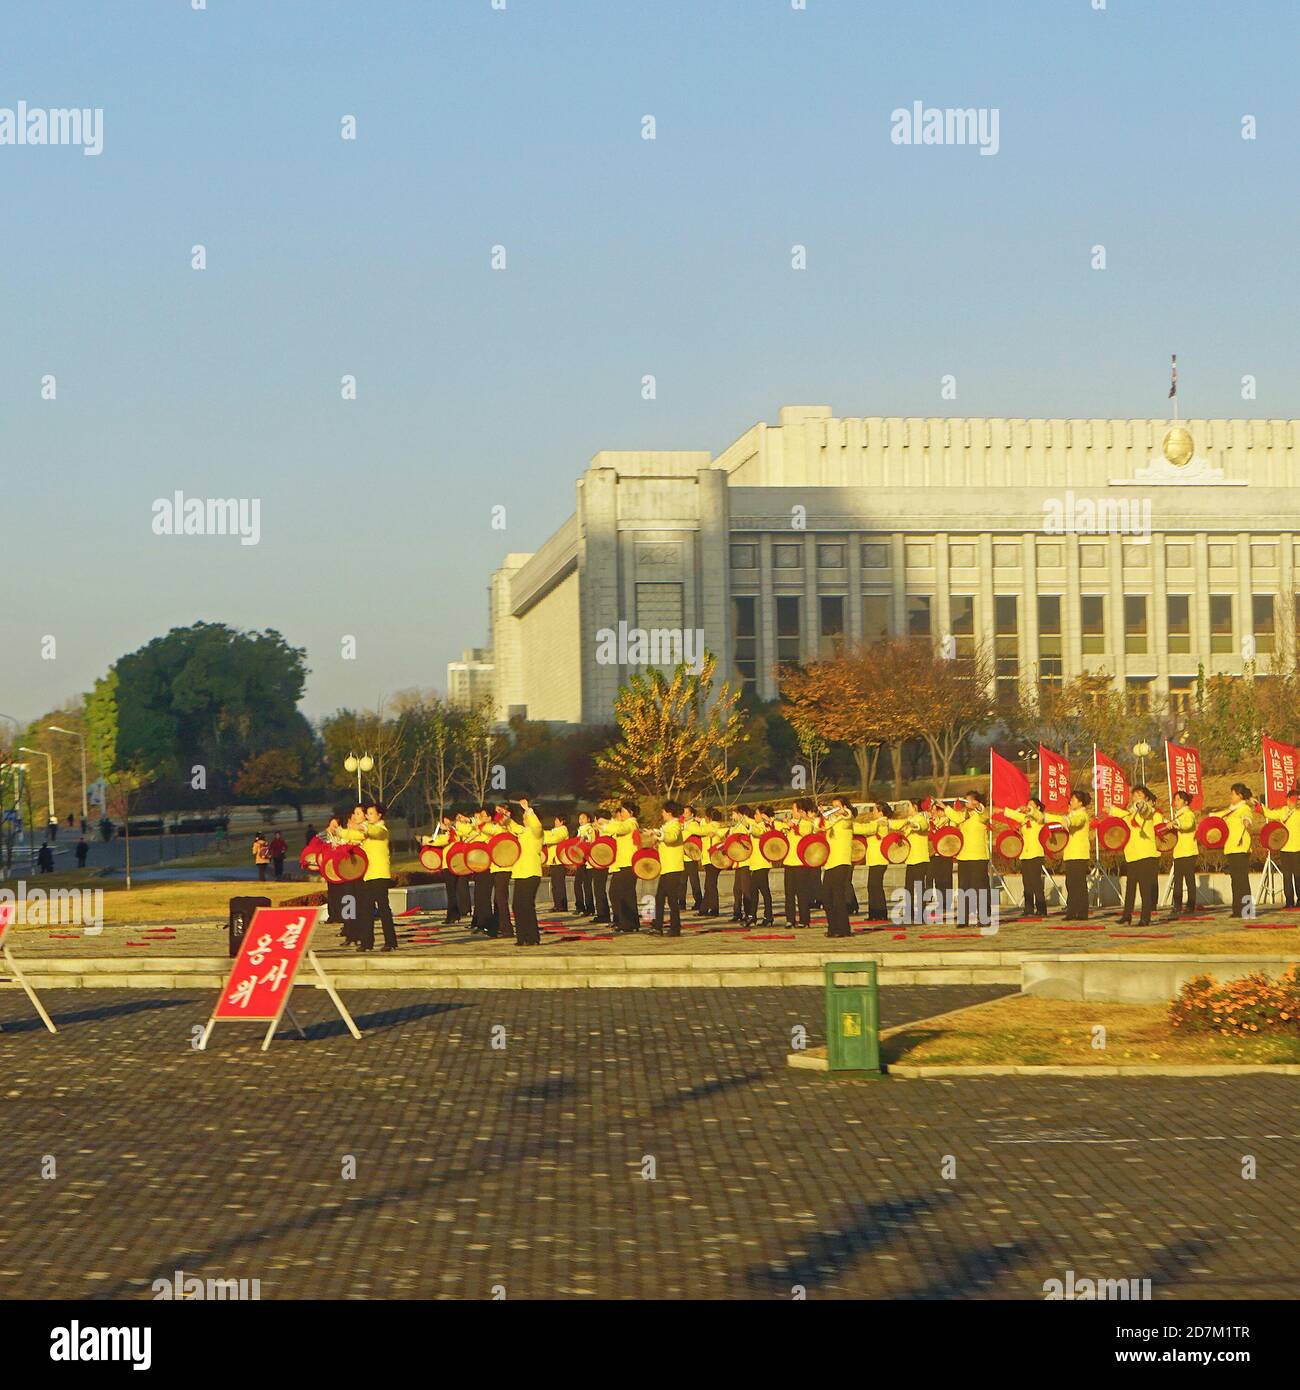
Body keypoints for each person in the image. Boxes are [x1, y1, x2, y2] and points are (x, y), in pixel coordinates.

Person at [343, 802, 396, 952]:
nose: (368, 816)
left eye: (371, 813)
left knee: (384, 909)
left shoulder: (382, 830)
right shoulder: (367, 832)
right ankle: (367, 942)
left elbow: (373, 831)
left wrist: (361, 826)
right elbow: (354, 835)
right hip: (367, 875)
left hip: (380, 875)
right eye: (368, 814)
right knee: (366, 909)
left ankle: (390, 942)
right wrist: (340, 831)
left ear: (380, 815)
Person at [1116, 785, 1160, 927]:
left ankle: (1145, 918)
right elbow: (1121, 816)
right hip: (1132, 854)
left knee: (1144, 888)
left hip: (1145, 854)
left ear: (1146, 798)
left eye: (1139, 795)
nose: (1136, 798)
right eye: (1134, 795)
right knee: (1130, 888)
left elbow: (1146, 811)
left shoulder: (1148, 810)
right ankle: (1127, 915)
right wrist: (1109, 810)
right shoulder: (1130, 813)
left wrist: (1141, 805)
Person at [948, 791, 991, 927]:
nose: (966, 803)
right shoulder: (963, 815)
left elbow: (983, 814)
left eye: (969, 801)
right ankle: (963, 919)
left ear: (976, 802)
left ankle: (984, 918)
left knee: (980, 888)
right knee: (963, 888)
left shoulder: (982, 813)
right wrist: (945, 807)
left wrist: (977, 807)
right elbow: (955, 818)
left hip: (979, 857)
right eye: (965, 801)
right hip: (964, 856)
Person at [1213, 783, 1257, 918]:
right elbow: (1217, 816)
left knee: (1242, 880)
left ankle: (1248, 911)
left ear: (1240, 795)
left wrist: (1246, 821)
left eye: (1233, 794)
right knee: (1235, 880)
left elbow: (1247, 817)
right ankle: (1237, 910)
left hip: (1240, 847)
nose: (1230, 796)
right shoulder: (1230, 811)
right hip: (1230, 848)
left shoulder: (1243, 808)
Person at [507, 796, 545, 946]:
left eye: (526, 816)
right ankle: (521, 937)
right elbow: (512, 826)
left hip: (531, 872)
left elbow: (536, 825)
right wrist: (505, 815)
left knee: (527, 905)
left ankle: (533, 937)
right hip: (520, 873)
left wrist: (528, 809)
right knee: (517, 905)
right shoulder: (522, 832)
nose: (524, 818)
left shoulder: (537, 833)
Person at [1005, 799, 1050, 919]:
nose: (1028, 806)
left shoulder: (1040, 818)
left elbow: (1038, 816)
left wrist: (1029, 810)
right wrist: (1004, 811)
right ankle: (1028, 908)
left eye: (1031, 805)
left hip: (1036, 853)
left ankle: (1041, 909)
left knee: (1036, 882)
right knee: (1027, 883)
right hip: (1025, 854)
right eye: (1028, 804)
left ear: (1038, 807)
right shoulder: (1025, 820)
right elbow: (1015, 815)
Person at [820, 797, 856, 937]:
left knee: (838, 895)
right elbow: (819, 826)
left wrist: (843, 811)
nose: (834, 809)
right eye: (833, 806)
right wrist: (823, 814)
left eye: (837, 806)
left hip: (842, 861)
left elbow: (848, 815)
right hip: (830, 863)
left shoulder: (846, 821)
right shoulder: (831, 822)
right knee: (826, 896)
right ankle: (833, 926)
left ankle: (843, 929)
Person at [1261, 785, 1300, 910]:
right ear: (1287, 800)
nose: (1292, 803)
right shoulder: (1283, 811)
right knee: (1287, 876)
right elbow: (1270, 814)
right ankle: (1289, 901)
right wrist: (1259, 807)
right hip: (1284, 848)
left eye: (1295, 800)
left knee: (1298, 876)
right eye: (1291, 800)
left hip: (1297, 849)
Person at [606, 801, 641, 933]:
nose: (622, 813)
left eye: (624, 811)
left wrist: (607, 824)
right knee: (622, 893)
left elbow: (619, 829)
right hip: (624, 863)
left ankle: (629, 923)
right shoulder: (627, 823)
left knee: (626, 894)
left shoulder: (631, 823)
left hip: (629, 863)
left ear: (630, 812)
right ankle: (627, 922)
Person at [653, 800, 686, 936]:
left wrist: (660, 835)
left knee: (672, 900)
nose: (662, 813)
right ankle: (658, 926)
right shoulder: (667, 825)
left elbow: (671, 838)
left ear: (669, 812)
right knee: (659, 897)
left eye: (663, 811)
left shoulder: (675, 825)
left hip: (673, 867)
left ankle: (675, 928)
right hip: (666, 868)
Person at [1167, 790, 1200, 920]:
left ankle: (1190, 905)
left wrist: (1176, 824)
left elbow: (1187, 825)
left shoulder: (1188, 814)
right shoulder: (1177, 815)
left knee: (1189, 880)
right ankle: (1177, 905)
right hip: (1179, 853)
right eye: (1175, 800)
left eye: (1179, 799)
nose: (1176, 802)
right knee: (1178, 880)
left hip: (1189, 852)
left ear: (1185, 802)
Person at [1062, 790, 1093, 920]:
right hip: (1070, 853)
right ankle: (1071, 911)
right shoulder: (1071, 814)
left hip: (1079, 854)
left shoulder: (1082, 815)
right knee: (1070, 883)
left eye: (1073, 800)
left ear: (1080, 803)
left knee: (1079, 884)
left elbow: (1076, 821)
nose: (1071, 801)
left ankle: (1082, 912)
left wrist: (1068, 820)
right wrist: (1045, 817)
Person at [681, 804, 705, 913]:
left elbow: (698, 832)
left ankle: (699, 901)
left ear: (692, 814)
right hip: (681, 856)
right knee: (681, 881)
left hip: (690, 856)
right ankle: (681, 902)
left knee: (694, 880)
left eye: (687, 813)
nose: (684, 815)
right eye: (683, 812)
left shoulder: (694, 824)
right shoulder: (681, 824)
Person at [543, 814, 570, 913]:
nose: (555, 822)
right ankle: (557, 904)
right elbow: (548, 835)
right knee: (555, 885)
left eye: (557, 820)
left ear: (562, 821)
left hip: (559, 861)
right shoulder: (554, 831)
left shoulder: (563, 830)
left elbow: (554, 839)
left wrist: (542, 837)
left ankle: (562, 906)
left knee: (559, 885)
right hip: (554, 861)